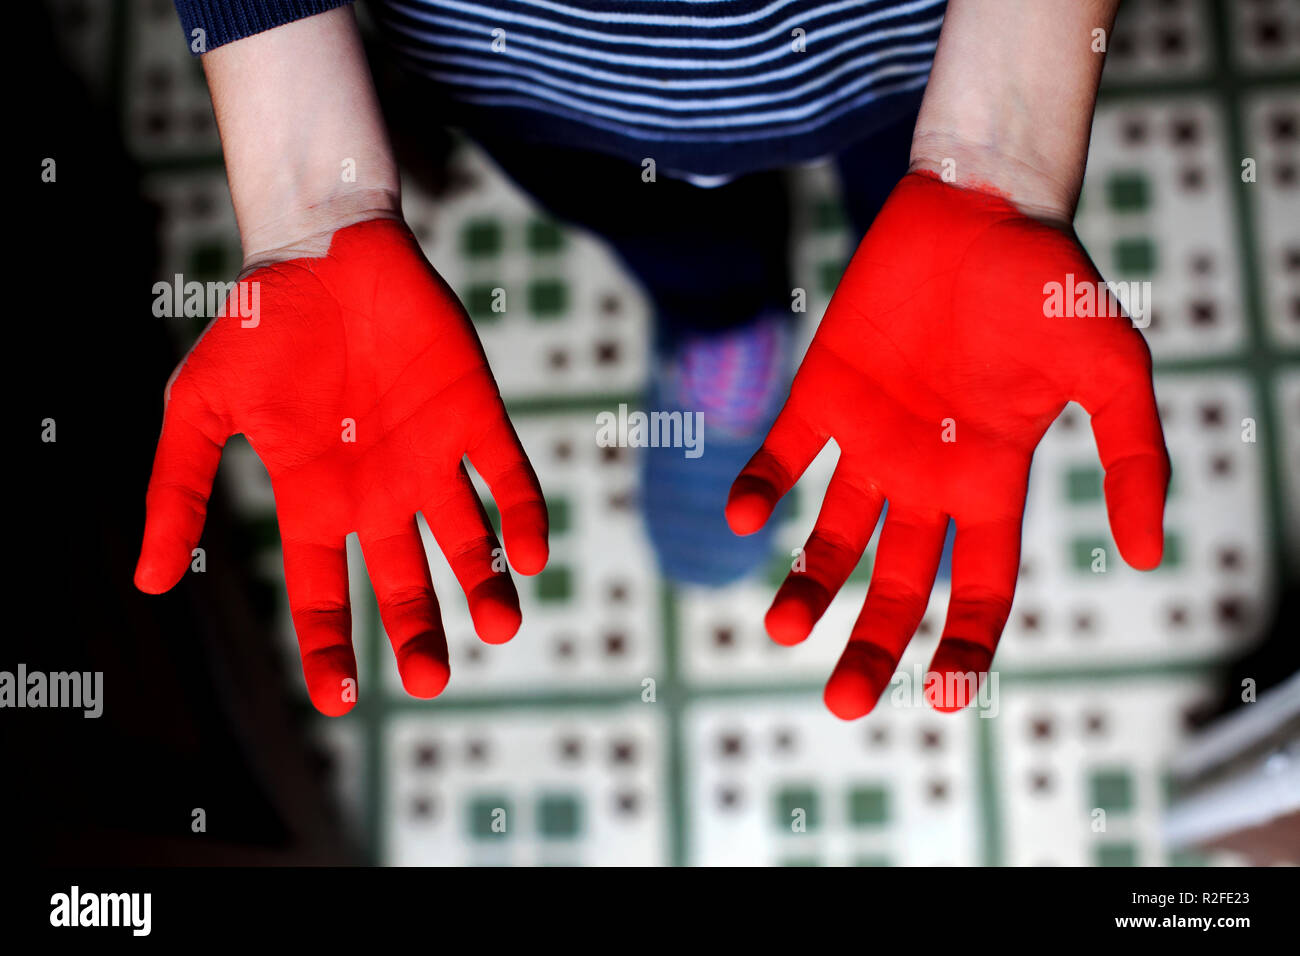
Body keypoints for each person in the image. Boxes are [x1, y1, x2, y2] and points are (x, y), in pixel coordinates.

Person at [138, 0, 1169, 718]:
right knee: (660, 228)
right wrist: (307, 194)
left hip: (921, 37)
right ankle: (726, 322)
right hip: (530, 60)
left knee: (916, 198)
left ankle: (899, 335)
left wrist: (1000, 154)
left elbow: (985, 121)